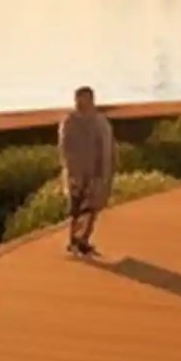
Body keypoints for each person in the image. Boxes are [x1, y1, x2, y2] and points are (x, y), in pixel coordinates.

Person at [58, 86, 115, 257]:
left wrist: (107, 170)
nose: (80, 103)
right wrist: (72, 172)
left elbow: (108, 147)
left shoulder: (100, 121)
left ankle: (83, 241)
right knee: (77, 209)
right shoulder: (69, 122)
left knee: (92, 209)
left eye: (84, 99)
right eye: (78, 100)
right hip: (77, 173)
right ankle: (74, 241)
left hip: (98, 173)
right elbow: (65, 149)